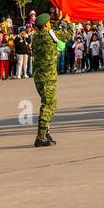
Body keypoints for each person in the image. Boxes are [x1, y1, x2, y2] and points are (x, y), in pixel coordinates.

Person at [31, 14, 59, 147]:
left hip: (39, 76)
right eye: (50, 22)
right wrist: (67, 21)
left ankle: (46, 132)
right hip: (47, 76)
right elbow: (66, 34)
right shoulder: (47, 36)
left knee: (48, 103)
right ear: (46, 24)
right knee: (49, 105)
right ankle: (40, 136)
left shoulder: (36, 36)